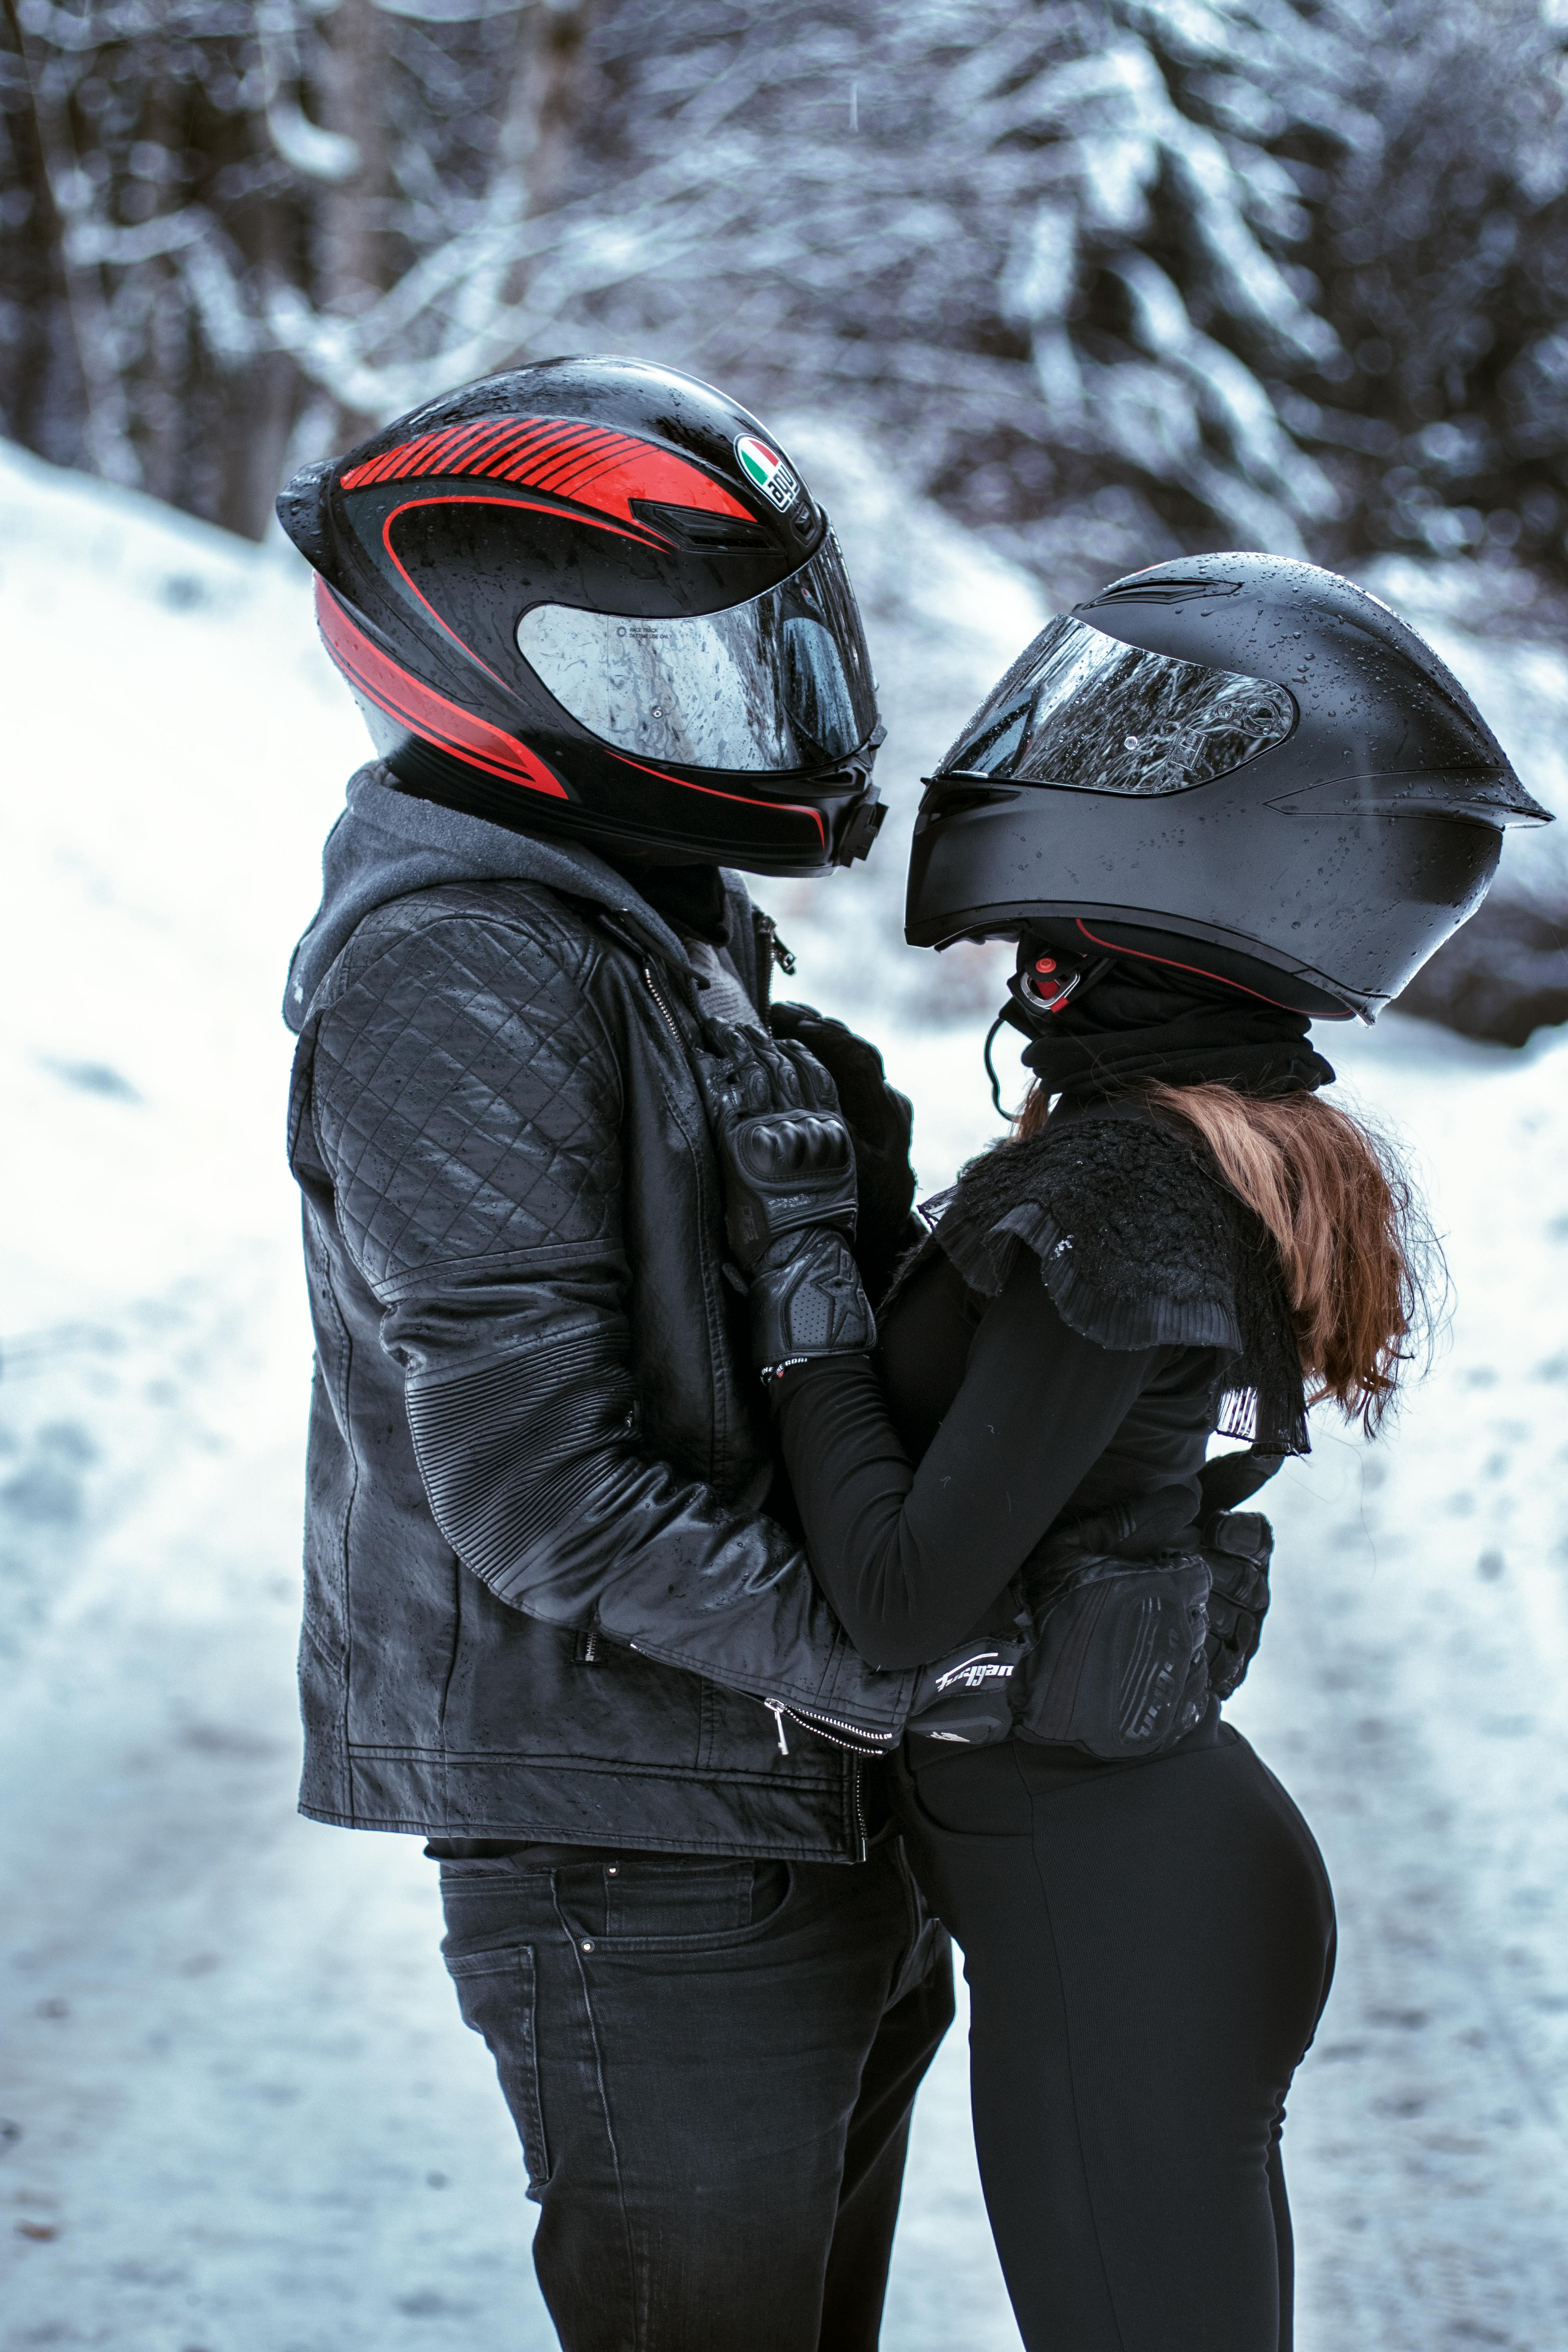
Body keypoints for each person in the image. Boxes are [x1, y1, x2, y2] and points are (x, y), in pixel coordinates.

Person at [683, 553, 1552, 2352]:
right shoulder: (1200, 1151)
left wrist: (798, 1299)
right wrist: (857, 1197)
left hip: (1117, 1917)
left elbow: (905, 1590)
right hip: (1136, 1882)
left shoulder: (1127, 1189)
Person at [276, 355, 953, 2352]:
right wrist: (921, 1672)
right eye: (671, 677)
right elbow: (537, 1485)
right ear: (484, 670)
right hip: (643, 1851)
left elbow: (759, 1349)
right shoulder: (461, 961)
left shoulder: (642, 926)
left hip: (771, 1797)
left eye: (762, 659)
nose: (747, 721)